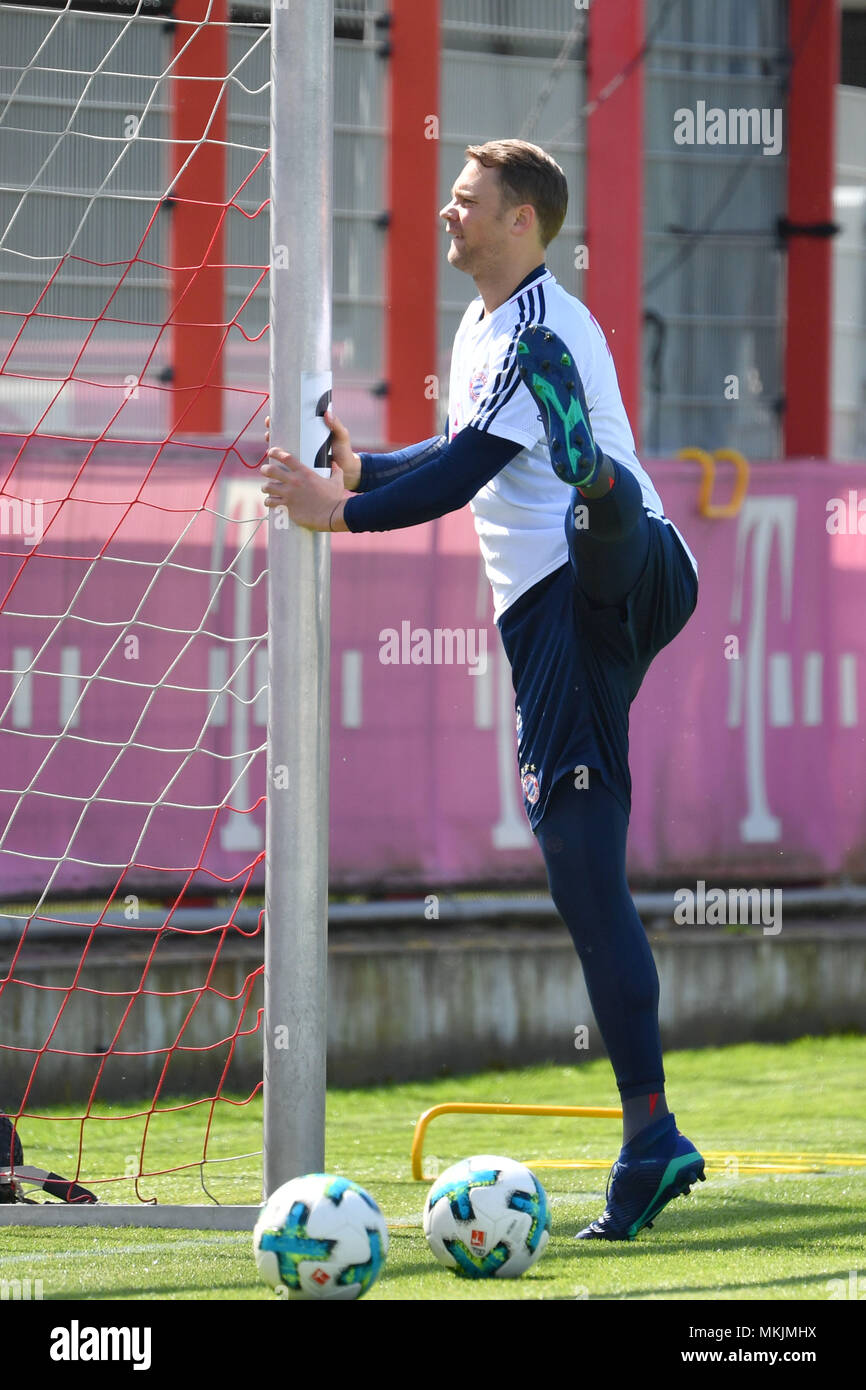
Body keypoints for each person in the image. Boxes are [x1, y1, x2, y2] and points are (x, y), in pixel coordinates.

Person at [261, 139, 705, 1241]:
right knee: (579, 871)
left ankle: (650, 1136)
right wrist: (362, 470)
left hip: (578, 593)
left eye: (465, 204)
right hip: (635, 579)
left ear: (523, 222)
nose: (444, 217)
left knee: (581, 870)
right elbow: (463, 447)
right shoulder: (498, 332)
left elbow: (462, 479)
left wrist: (336, 515)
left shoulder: (537, 325)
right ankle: (592, 485)